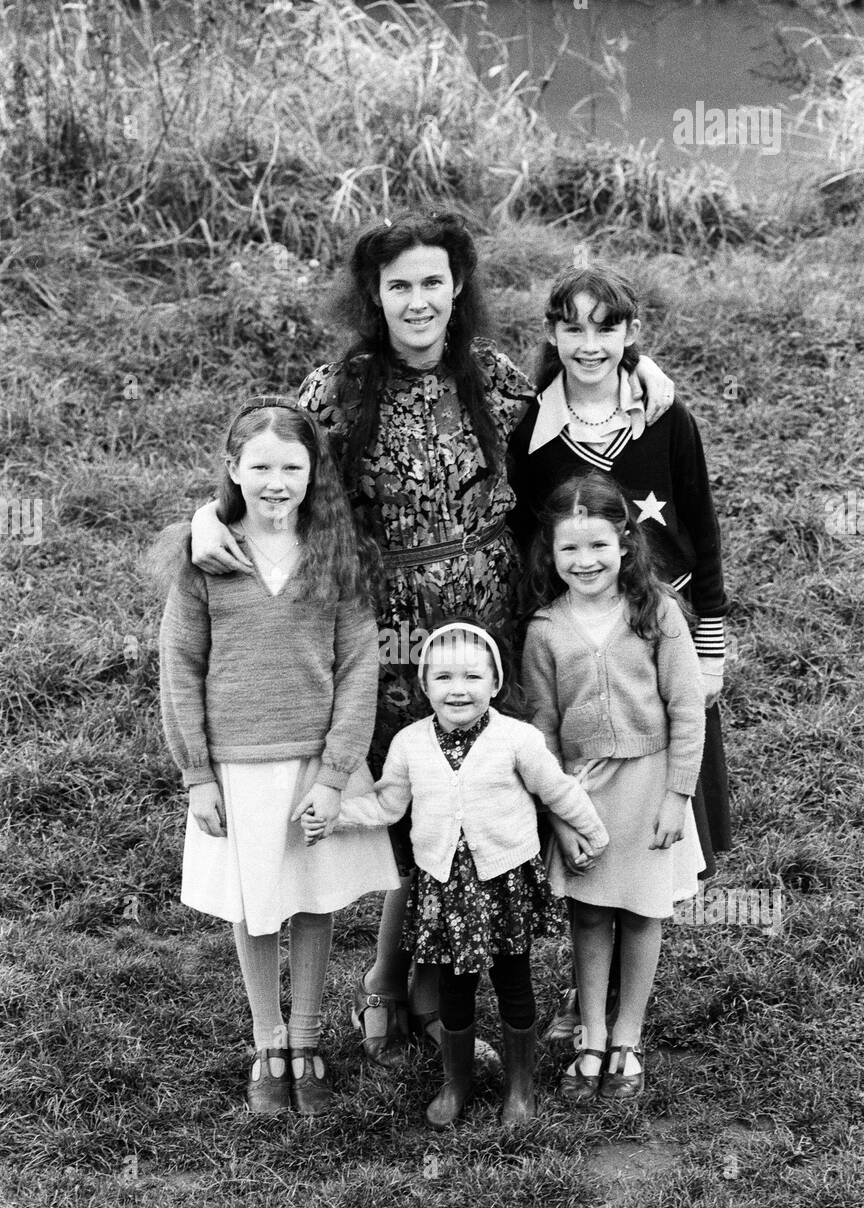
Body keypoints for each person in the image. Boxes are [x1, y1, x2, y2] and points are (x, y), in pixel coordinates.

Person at [188, 212, 674, 1064]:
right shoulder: (336, 392)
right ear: (375, 297)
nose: (419, 300)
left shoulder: (495, 378)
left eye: (434, 282)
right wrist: (203, 518)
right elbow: (266, 467)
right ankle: (389, 986)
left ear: (459, 289)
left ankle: (449, 996)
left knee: (481, 789)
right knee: (410, 797)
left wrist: (644, 372)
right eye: (400, 285)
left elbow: (589, 411)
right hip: (392, 627)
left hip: (489, 620)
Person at [158, 397, 400, 1116]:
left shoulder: (334, 551)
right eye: (259, 466)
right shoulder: (206, 558)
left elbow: (359, 666)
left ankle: (306, 1037)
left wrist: (335, 775)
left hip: (313, 758)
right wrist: (196, 773)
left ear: (311, 472)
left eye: (291, 466)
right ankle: (268, 1042)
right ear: (232, 470)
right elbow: (179, 665)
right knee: (256, 903)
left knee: (312, 897)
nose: (275, 481)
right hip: (238, 763)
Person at [507, 263, 729, 1044]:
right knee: (586, 865)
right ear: (552, 334)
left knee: (655, 835)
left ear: (632, 335)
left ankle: (620, 1020)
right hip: (576, 655)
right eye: (573, 326)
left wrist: (709, 643)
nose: (590, 343)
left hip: (655, 646)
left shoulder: (665, 414)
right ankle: (587, 1009)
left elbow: (700, 526)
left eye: (608, 327)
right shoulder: (530, 429)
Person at [297, 620, 609, 1127]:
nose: (458, 689)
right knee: (454, 988)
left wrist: (592, 835)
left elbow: (559, 790)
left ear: (495, 682)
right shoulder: (409, 743)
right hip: (444, 887)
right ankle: (456, 1082)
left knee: (513, 980)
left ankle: (520, 1087)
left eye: (472, 677)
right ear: (424, 686)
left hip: (504, 883)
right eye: (442, 678)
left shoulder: (518, 739)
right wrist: (339, 816)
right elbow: (388, 804)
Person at [521, 473, 706, 1102]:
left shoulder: (657, 612)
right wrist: (560, 813)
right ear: (550, 553)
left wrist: (678, 795)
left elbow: (687, 710)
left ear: (625, 542)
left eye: (598, 545)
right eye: (569, 549)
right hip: (583, 792)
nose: (585, 561)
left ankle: (628, 1035)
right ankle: (592, 1034)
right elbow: (543, 728)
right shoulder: (545, 628)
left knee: (643, 911)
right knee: (592, 912)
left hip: (650, 783)